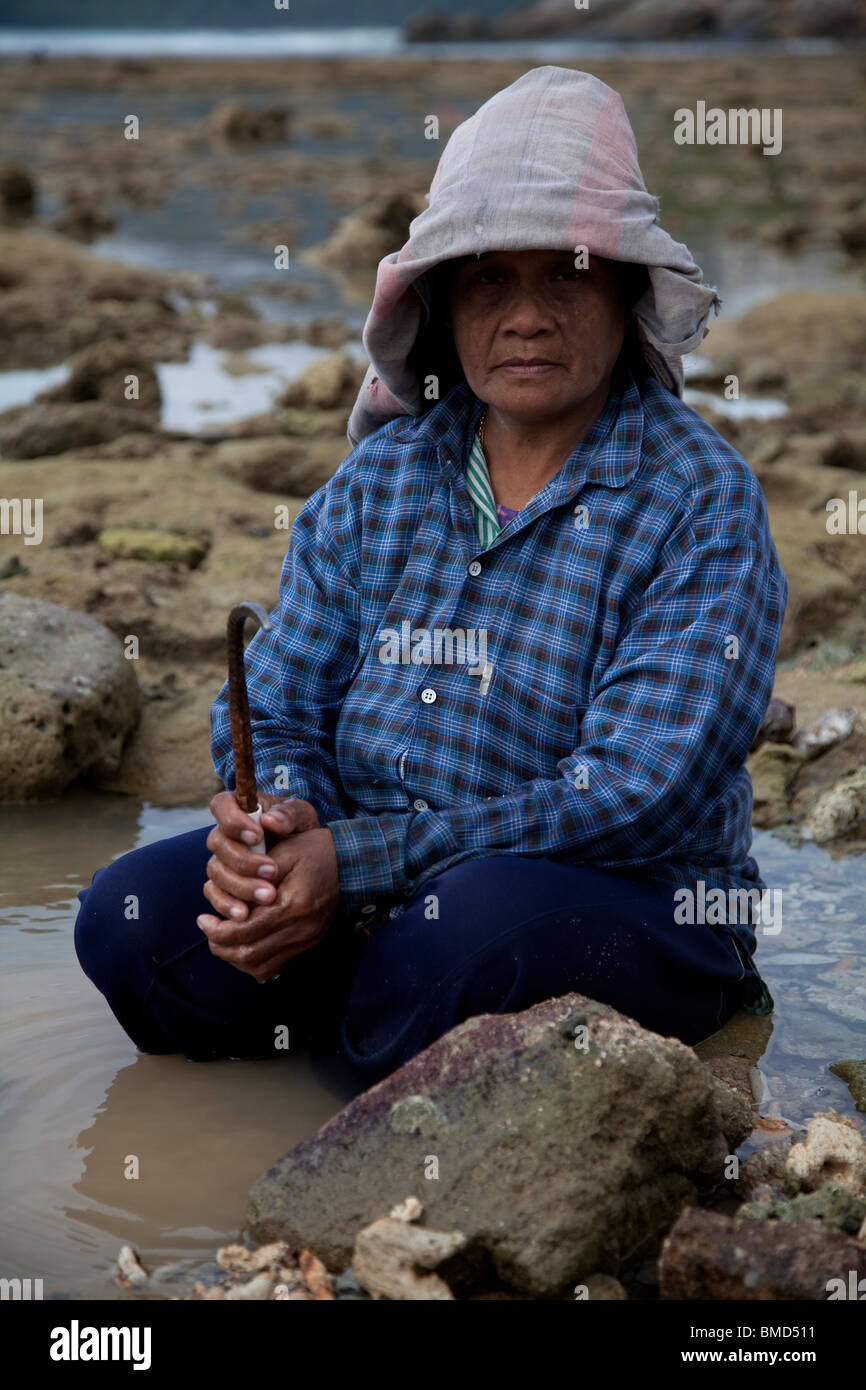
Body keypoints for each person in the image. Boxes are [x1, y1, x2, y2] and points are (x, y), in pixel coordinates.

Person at [75, 66, 787, 1084]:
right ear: (443, 304)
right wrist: (278, 826)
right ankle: (368, 1035)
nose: (526, 317)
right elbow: (275, 704)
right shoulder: (387, 474)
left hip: (626, 904)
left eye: (566, 275)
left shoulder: (697, 499)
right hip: (371, 899)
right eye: (489, 279)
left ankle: (374, 1047)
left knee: (460, 937)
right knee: (128, 919)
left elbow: (638, 794)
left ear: (624, 293)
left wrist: (356, 862)